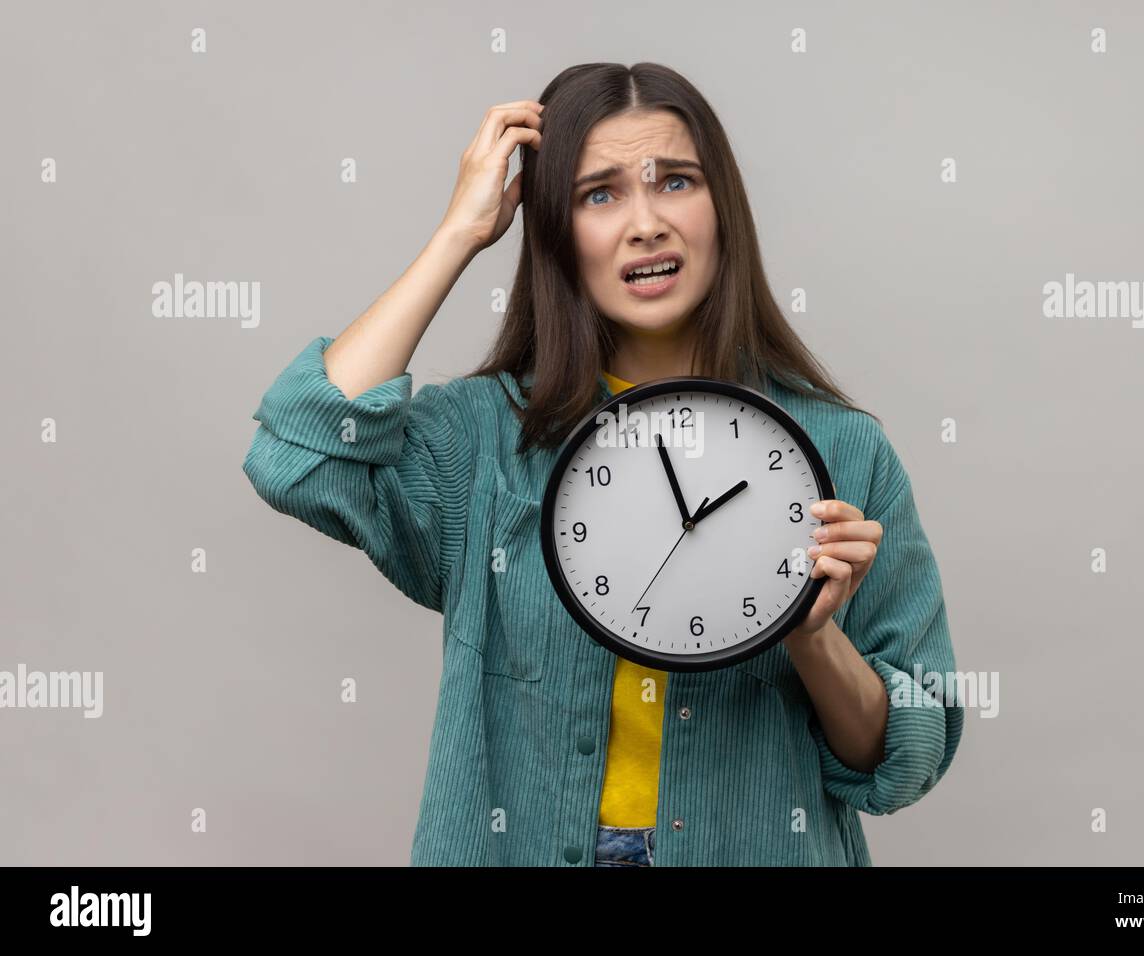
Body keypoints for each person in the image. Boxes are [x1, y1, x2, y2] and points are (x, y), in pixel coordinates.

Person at [242, 62, 962, 867]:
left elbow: (905, 760)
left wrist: (812, 635)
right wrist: (458, 235)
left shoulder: (842, 451)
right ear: (556, 229)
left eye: (677, 182)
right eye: (600, 194)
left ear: (723, 208)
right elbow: (296, 458)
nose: (646, 223)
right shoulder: (484, 439)